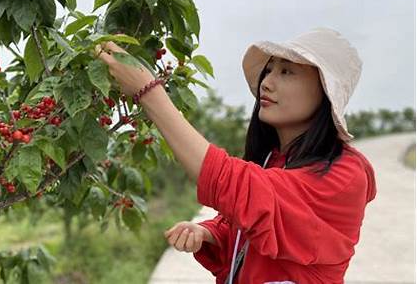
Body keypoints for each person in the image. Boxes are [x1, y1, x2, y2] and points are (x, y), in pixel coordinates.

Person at [95, 27, 377, 284]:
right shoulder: (275, 160)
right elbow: (255, 229)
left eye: (287, 72)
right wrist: (210, 234)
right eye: (269, 70)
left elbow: (242, 189)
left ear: (325, 92)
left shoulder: (343, 176)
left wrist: (148, 92)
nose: (266, 83)